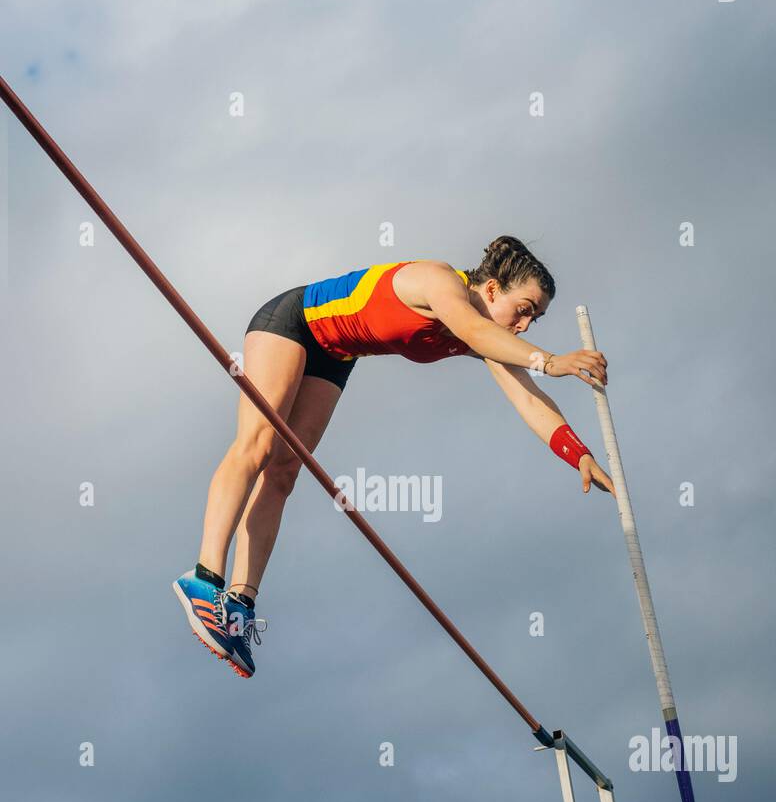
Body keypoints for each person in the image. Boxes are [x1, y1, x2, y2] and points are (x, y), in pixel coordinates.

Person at [173, 235, 613, 677]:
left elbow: (527, 398)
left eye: (534, 319)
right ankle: (204, 579)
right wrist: (551, 360)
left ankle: (238, 604)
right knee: (260, 444)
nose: (524, 326)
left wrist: (578, 454)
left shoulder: (483, 336)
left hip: (337, 353)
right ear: (494, 289)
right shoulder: (438, 281)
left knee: (285, 474)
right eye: (524, 309)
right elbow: (477, 329)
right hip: (293, 324)